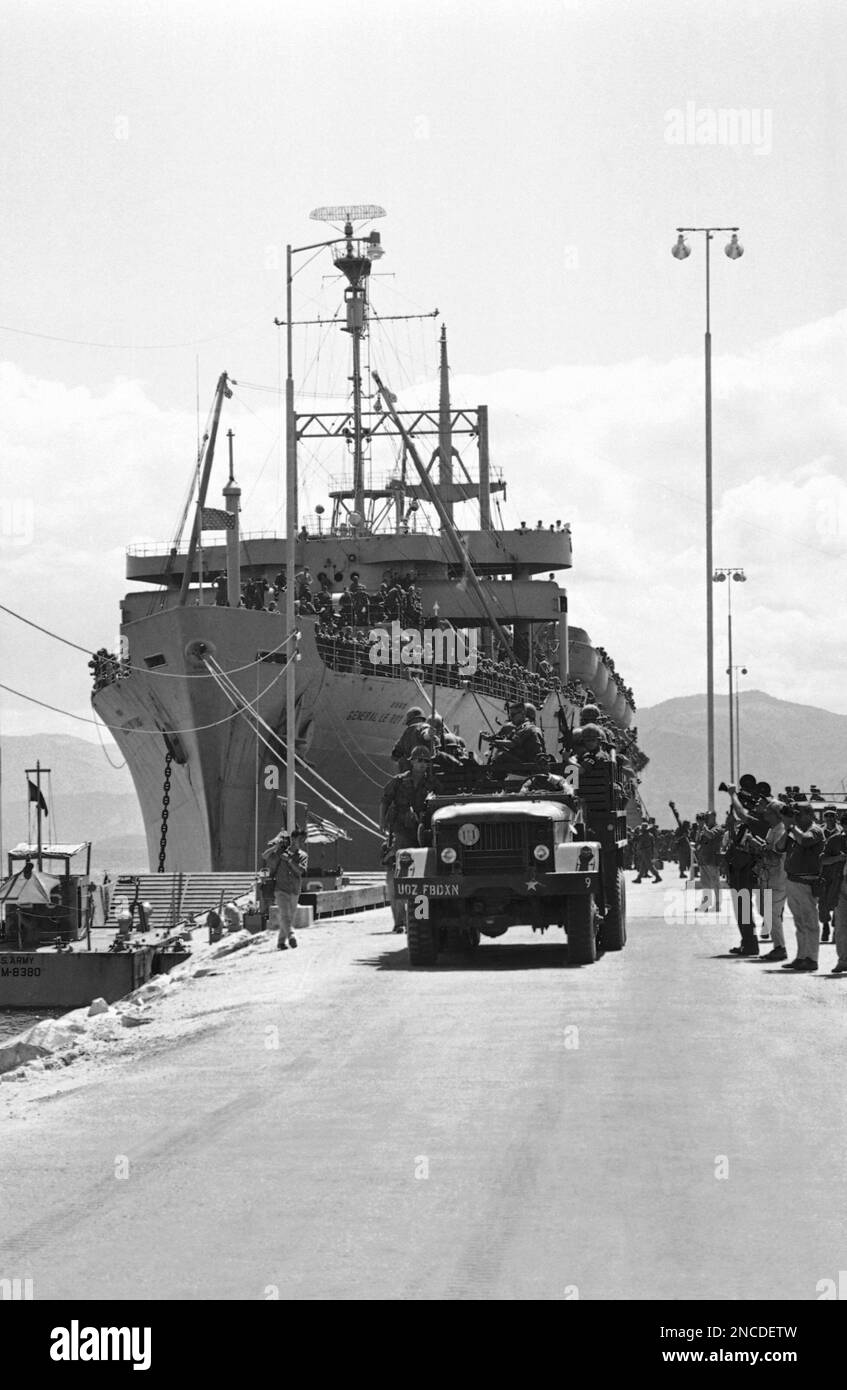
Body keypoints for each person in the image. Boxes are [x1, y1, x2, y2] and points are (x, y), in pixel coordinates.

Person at [781, 802, 825, 971]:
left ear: (809, 814)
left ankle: (812, 958)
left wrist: (792, 827)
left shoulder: (815, 830)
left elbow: (806, 841)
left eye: (799, 814)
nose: (796, 817)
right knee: (800, 922)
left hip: (807, 883)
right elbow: (779, 847)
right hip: (793, 881)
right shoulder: (794, 830)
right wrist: (787, 827)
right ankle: (801, 956)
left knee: (810, 922)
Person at [262, 826, 308, 950]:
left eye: (304, 839)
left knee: (289, 917)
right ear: (293, 839)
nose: (302, 842)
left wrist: (289, 861)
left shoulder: (303, 855)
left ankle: (281, 942)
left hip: (294, 889)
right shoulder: (281, 853)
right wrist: (275, 847)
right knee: (285, 915)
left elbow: (300, 871)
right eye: (300, 839)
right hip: (280, 889)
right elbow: (265, 856)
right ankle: (291, 936)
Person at [380, 747, 435, 848]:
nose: (423, 764)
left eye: (426, 761)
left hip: (425, 829)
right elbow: (385, 800)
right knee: (402, 856)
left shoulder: (432, 784)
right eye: (419, 760)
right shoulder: (399, 781)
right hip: (402, 828)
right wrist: (382, 821)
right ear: (413, 761)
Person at [755, 800, 789, 961]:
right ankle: (778, 946)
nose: (765, 814)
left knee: (772, 913)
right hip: (768, 876)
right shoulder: (773, 829)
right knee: (764, 911)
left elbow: (776, 856)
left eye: (769, 812)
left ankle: (780, 947)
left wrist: (757, 845)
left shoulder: (781, 830)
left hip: (778, 877)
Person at [818, 808, 846, 942]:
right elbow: (821, 857)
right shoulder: (820, 832)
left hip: (839, 875)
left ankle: (836, 929)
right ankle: (825, 926)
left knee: (837, 903)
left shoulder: (840, 832)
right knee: (823, 903)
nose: (829, 819)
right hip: (825, 873)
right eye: (827, 816)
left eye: (832, 816)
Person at [695, 811, 723, 911]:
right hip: (703, 859)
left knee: (715, 883)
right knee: (705, 884)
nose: (706, 818)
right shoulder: (703, 828)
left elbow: (711, 835)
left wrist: (703, 827)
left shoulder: (718, 828)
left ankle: (718, 904)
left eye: (708, 817)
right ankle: (706, 904)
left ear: (714, 817)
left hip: (712, 859)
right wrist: (699, 829)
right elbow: (698, 841)